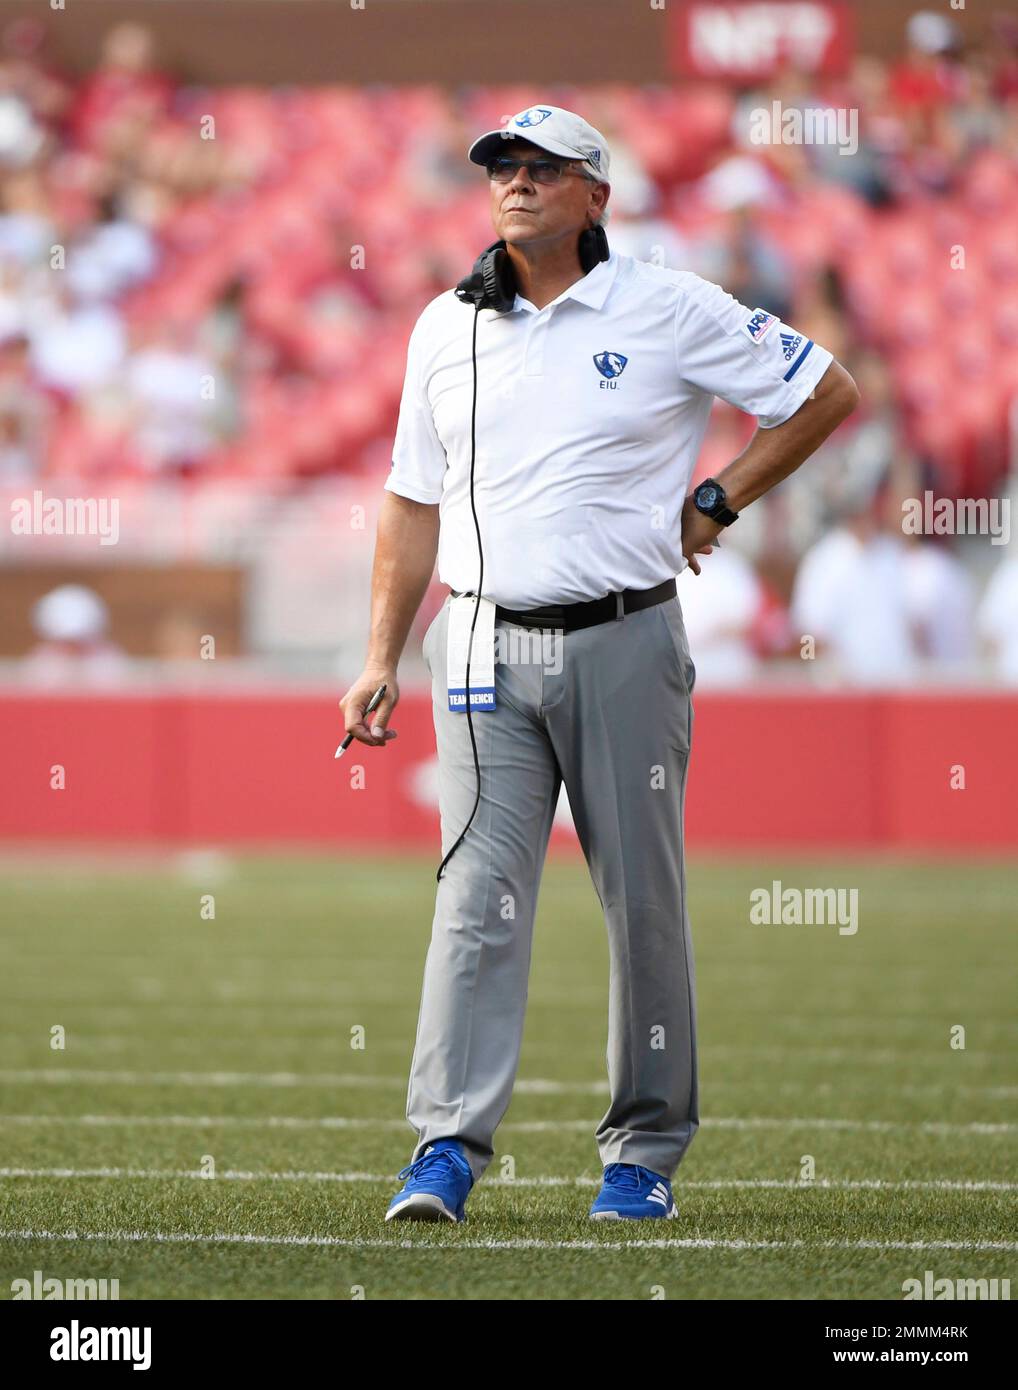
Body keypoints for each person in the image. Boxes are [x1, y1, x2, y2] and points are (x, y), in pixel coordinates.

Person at [339, 104, 859, 1223]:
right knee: (475, 901)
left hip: (626, 633)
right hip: (473, 643)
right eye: (501, 169)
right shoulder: (443, 327)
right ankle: (444, 1147)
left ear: (596, 195)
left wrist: (719, 497)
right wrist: (380, 651)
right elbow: (408, 499)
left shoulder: (664, 303)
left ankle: (643, 1156)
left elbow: (826, 391)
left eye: (542, 169)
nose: (516, 183)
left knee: (643, 903)